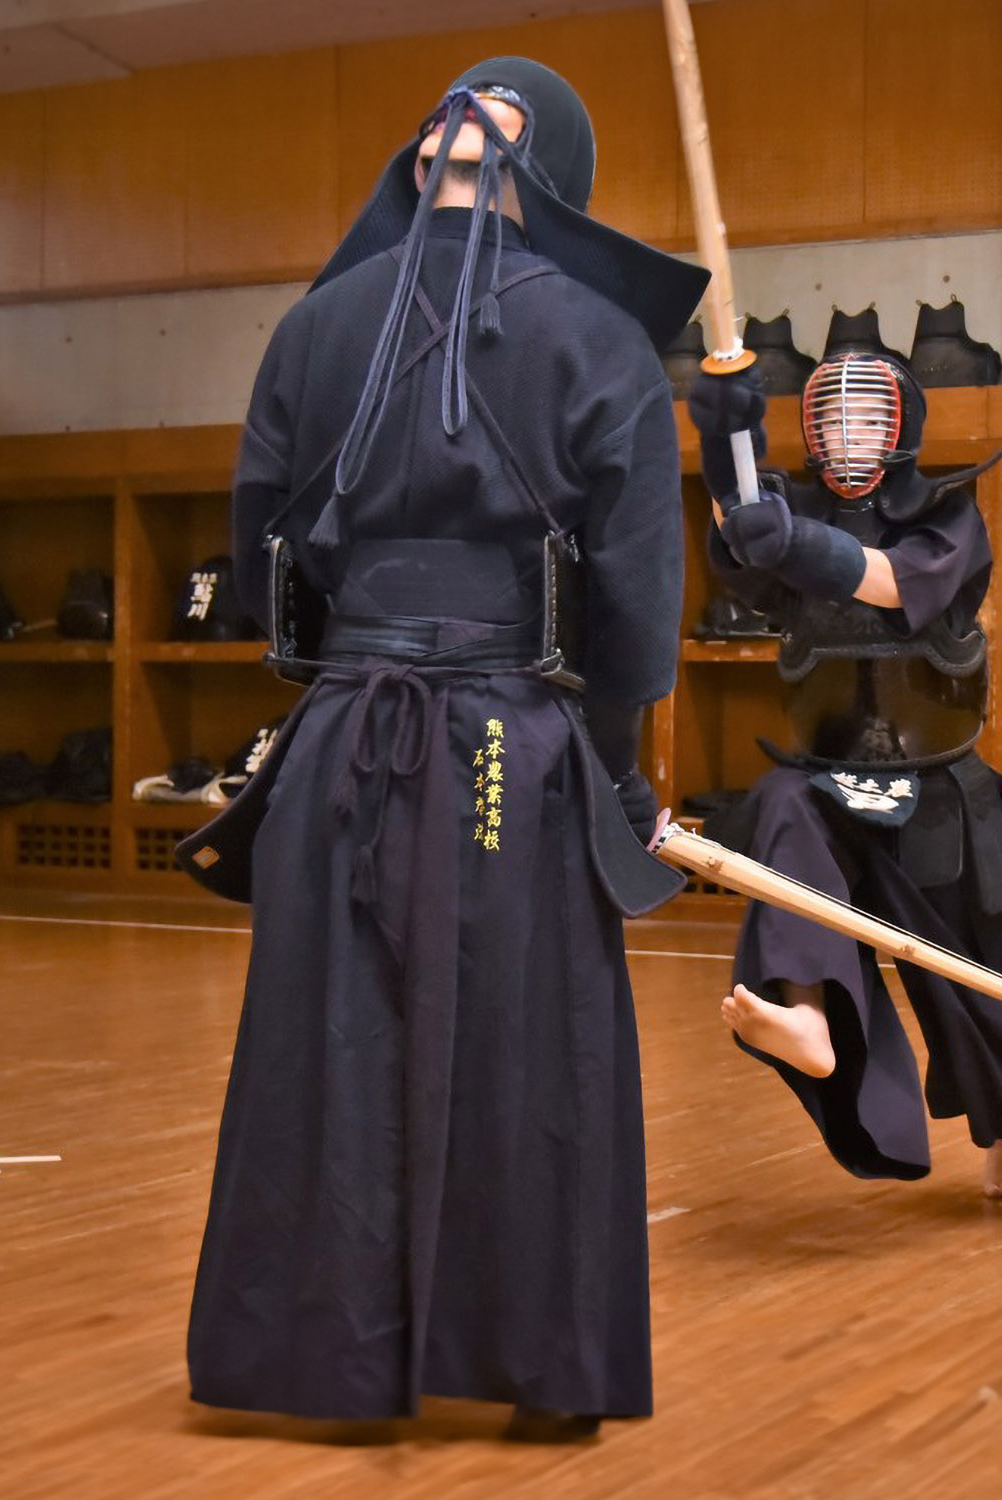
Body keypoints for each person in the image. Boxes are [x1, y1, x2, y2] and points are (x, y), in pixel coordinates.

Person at [179, 57, 708, 1440]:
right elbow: (635, 605)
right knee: (533, 1053)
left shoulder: (313, 330)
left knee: (333, 1045)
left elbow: (263, 563)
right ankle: (536, 1368)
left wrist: (352, 655)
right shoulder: (598, 340)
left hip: (338, 741)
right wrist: (616, 773)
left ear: (424, 163)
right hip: (510, 759)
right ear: (558, 186)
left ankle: (335, 1369)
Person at [688, 309, 1002, 1199]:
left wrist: (791, 541)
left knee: (986, 975)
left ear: (901, 425)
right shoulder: (792, 514)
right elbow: (740, 516)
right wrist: (724, 431)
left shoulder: (947, 518)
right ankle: (807, 1018)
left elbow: (886, 582)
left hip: (937, 780)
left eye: (866, 417)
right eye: (831, 418)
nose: (847, 432)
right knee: (781, 818)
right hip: (825, 773)